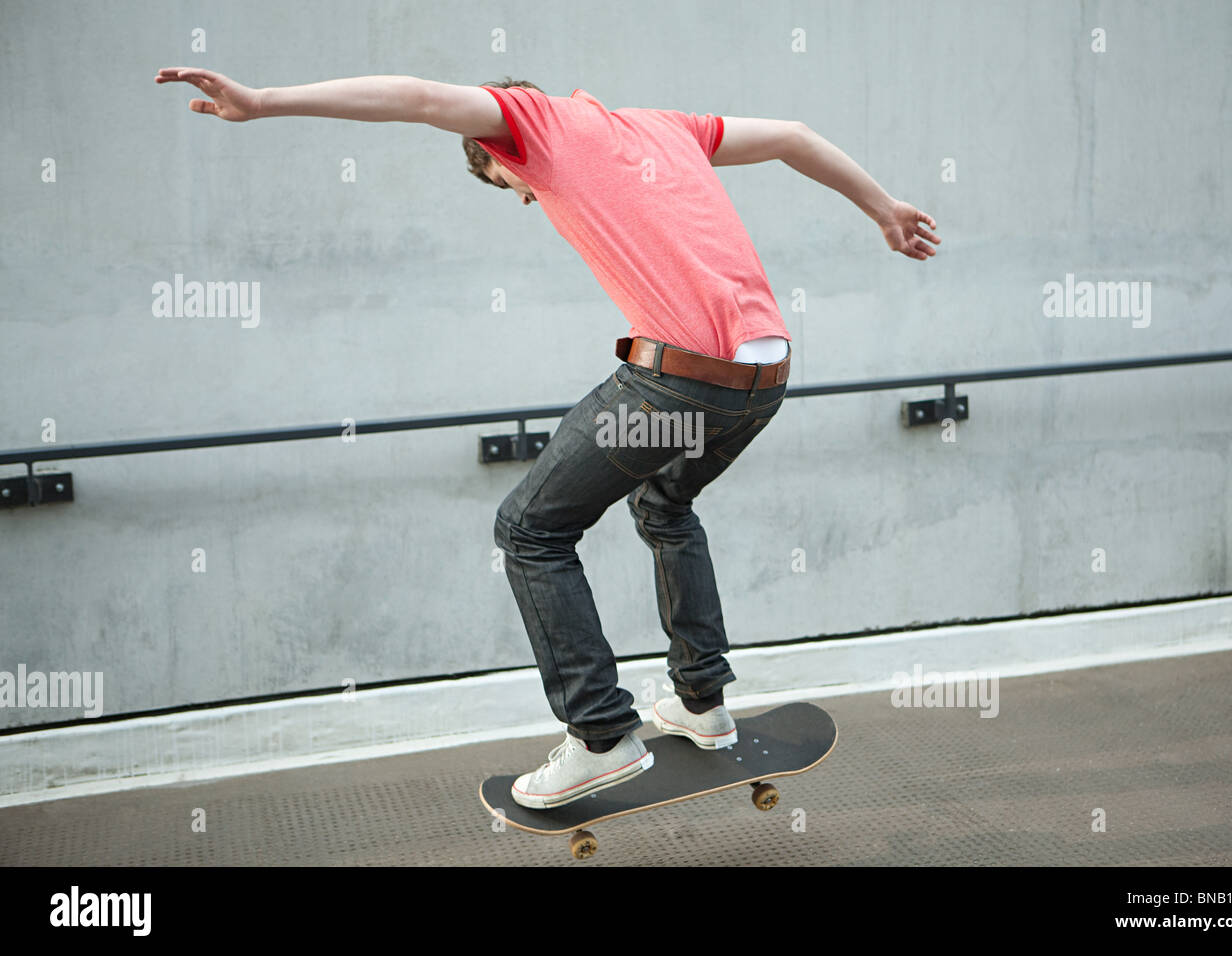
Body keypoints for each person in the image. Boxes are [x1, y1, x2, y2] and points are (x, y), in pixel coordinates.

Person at [155, 67, 940, 810]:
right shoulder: (667, 128)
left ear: (500, 149)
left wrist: (263, 103)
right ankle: (702, 701)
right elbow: (795, 135)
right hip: (766, 376)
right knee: (664, 504)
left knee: (529, 528)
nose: (531, 198)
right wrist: (883, 208)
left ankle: (601, 735)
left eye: (513, 188)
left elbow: (419, 97)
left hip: (681, 383)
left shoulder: (529, 124)